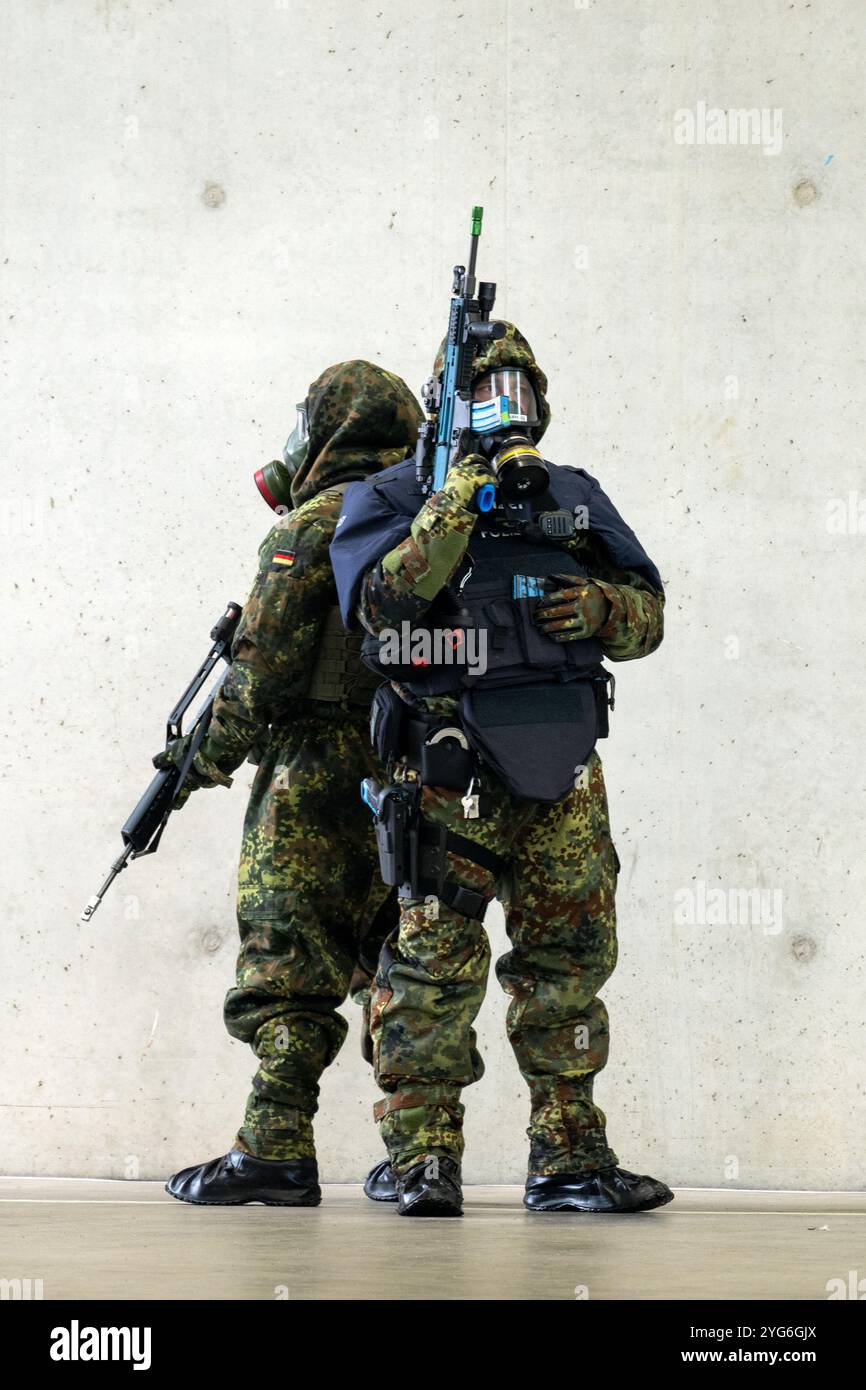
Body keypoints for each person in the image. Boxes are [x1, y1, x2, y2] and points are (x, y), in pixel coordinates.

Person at [330, 323, 673, 1217]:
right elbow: (380, 619)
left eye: (520, 394)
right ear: (445, 403)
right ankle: (422, 1161)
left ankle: (569, 1162)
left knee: (568, 963)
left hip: (562, 770)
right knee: (432, 973)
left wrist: (599, 606)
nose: (506, 414)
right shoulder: (389, 496)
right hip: (448, 772)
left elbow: (649, 617)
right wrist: (449, 509)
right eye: (486, 395)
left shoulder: (569, 496)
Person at [157, 359, 422, 1206]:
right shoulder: (429, 523)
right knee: (401, 961)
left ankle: (274, 1148)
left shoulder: (310, 527)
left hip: (317, 771)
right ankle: (421, 1160)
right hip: (419, 770)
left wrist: (192, 766)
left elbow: (258, 681)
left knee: (289, 955)